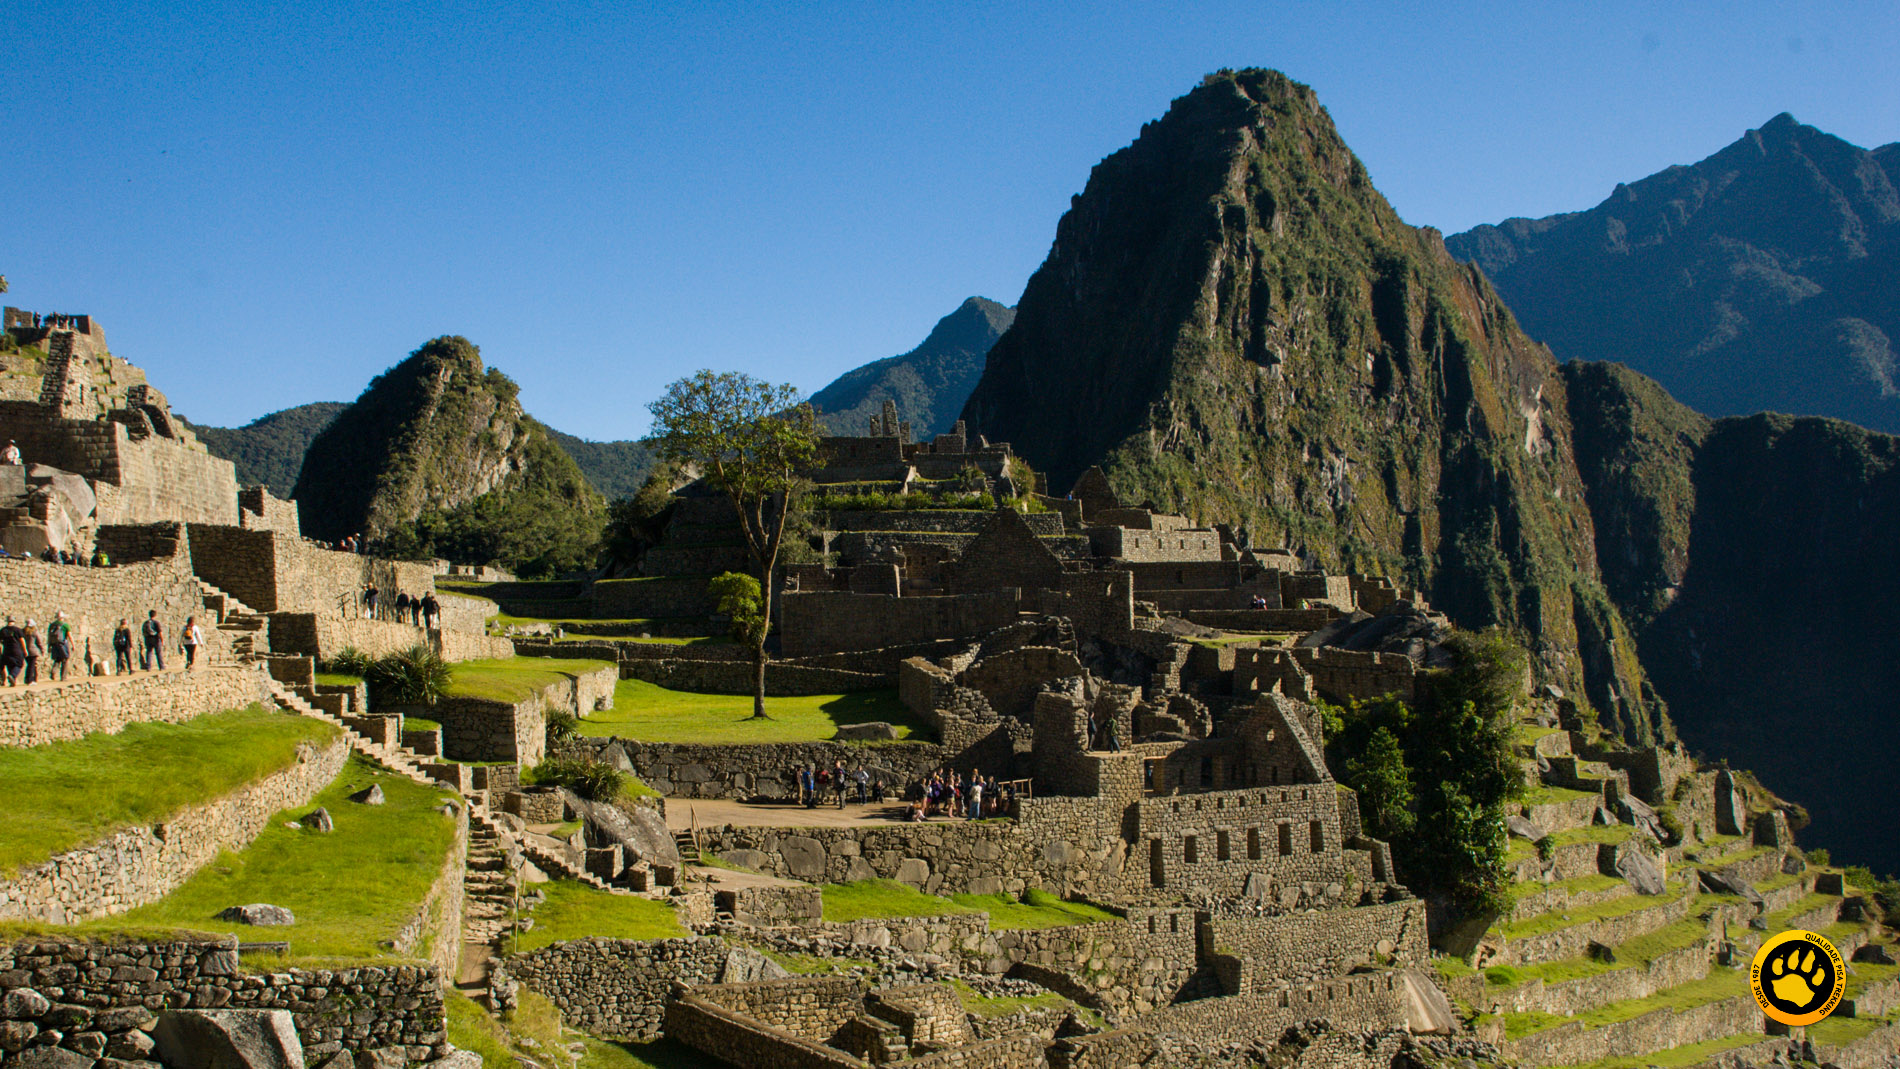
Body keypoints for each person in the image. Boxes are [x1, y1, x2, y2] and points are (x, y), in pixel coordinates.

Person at [46, 612, 70, 682]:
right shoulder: (65, 625)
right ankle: (63, 677)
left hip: (54, 644)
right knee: (65, 660)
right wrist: (73, 644)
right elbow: (69, 636)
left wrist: (49, 645)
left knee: (57, 659)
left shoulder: (52, 625)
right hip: (62, 644)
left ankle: (53, 671)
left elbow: (49, 636)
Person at [0, 617, 23, 686]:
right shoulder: (17, 630)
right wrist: (25, 650)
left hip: (6, 650)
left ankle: (12, 682)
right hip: (16, 649)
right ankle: (12, 676)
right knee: (19, 664)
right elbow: (22, 640)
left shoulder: (3, 630)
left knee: (10, 664)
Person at [21, 619, 40, 684]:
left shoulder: (22, 631)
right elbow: (38, 641)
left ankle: (32, 678)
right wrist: (42, 649)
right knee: (31, 665)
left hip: (24, 650)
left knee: (30, 665)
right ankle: (30, 680)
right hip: (33, 651)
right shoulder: (34, 632)